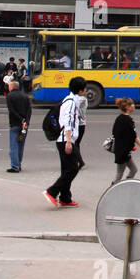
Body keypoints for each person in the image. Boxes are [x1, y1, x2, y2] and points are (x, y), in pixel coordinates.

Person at [44, 76, 86, 209]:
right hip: (65, 140)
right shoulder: (70, 102)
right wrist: (68, 141)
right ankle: (52, 191)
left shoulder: (71, 100)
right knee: (74, 167)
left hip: (65, 139)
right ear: (80, 90)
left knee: (67, 169)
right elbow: (67, 122)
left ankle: (65, 197)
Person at [109, 98, 140, 185]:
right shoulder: (128, 120)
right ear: (128, 107)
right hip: (122, 152)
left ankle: (125, 185)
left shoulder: (119, 118)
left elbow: (115, 133)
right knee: (120, 173)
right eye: (132, 104)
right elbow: (134, 137)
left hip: (122, 150)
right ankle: (114, 189)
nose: (134, 106)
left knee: (133, 169)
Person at [6, 77, 32, 173]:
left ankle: (15, 166)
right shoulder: (25, 96)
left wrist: (21, 119)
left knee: (13, 146)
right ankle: (19, 164)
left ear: (12, 87)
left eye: (9, 86)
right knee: (21, 145)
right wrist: (26, 121)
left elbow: (12, 110)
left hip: (15, 124)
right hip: (24, 126)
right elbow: (29, 110)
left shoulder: (9, 96)